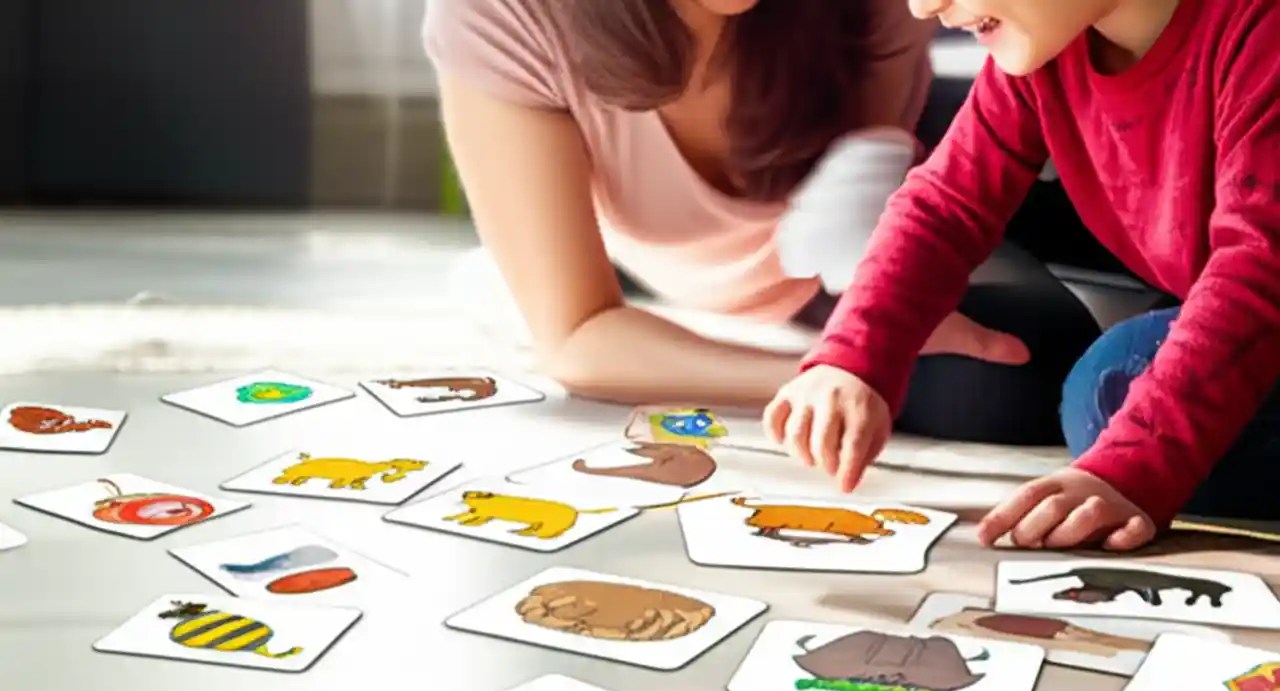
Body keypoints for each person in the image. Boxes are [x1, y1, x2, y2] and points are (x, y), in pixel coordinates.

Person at [426, 0, 1103, 446]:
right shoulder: (500, 16)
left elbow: (873, 193)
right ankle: (515, 264)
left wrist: (881, 307)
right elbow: (577, 342)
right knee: (975, 393)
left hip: (846, 211)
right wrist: (835, 373)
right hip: (659, 255)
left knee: (1039, 358)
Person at [767, 0, 1280, 550]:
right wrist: (853, 357)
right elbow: (946, 204)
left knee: (1111, 388)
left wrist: (1130, 465)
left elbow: (1258, 267)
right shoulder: (1050, 49)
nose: (922, 7)